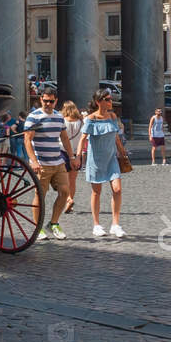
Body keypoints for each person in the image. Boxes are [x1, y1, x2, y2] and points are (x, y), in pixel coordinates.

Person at [76, 89, 128, 238]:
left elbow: (116, 136)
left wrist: (122, 150)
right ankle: (96, 225)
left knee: (117, 189)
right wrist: (78, 157)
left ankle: (115, 224)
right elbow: (82, 139)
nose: (111, 102)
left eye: (111, 99)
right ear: (99, 102)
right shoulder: (91, 118)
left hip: (111, 158)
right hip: (96, 160)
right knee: (96, 192)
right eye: (107, 99)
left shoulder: (112, 116)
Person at [23, 88, 73, 240]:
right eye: (45, 100)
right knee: (40, 195)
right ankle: (38, 227)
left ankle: (54, 223)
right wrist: (33, 161)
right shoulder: (34, 116)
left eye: (51, 101)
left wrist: (72, 157)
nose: (48, 104)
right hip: (42, 163)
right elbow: (27, 140)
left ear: (56, 101)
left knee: (65, 192)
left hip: (58, 161)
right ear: (41, 99)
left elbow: (64, 138)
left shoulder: (59, 117)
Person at [60, 100, 83, 214]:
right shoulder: (81, 121)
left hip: (63, 152)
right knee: (72, 180)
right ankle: (70, 200)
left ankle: (68, 199)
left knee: (63, 180)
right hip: (76, 153)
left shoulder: (62, 121)